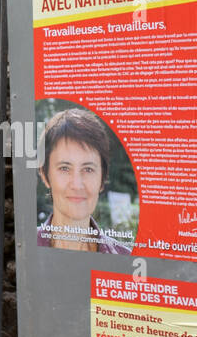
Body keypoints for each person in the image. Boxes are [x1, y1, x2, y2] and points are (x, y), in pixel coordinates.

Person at [37, 108, 131, 253]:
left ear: (102, 178)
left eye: (88, 169)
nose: (77, 184)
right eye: (64, 168)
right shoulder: (24, 249)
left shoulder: (124, 257)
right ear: (44, 174)